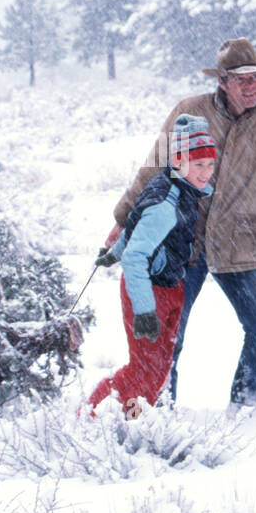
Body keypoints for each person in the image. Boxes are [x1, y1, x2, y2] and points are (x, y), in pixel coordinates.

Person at [105, 39, 256, 408]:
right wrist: (124, 219)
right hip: (185, 243)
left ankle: (247, 407)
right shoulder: (190, 113)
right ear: (222, 82)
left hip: (240, 245)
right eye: (242, 80)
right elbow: (154, 169)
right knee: (171, 335)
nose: (252, 87)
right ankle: (159, 408)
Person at [84, 114, 217, 418]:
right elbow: (135, 258)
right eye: (199, 164)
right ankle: (90, 413)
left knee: (158, 371)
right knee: (142, 369)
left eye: (210, 164)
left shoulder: (177, 185)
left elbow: (133, 227)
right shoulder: (166, 205)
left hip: (172, 284)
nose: (206, 172)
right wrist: (144, 310)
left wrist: (113, 252)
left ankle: (136, 422)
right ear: (180, 160)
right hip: (147, 290)